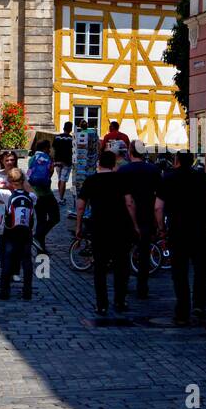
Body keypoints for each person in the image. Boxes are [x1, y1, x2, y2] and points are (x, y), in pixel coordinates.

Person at [155, 150, 206, 326]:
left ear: (176, 161)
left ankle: (182, 309)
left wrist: (162, 229)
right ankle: (200, 305)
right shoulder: (204, 178)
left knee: (179, 272)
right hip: (200, 230)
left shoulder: (168, 179)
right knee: (201, 270)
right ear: (192, 161)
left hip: (177, 231)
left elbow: (158, 208)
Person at [76, 150, 139, 317]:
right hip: (121, 227)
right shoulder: (121, 179)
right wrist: (135, 225)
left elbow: (81, 205)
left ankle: (101, 304)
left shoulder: (91, 181)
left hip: (99, 227)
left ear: (99, 163)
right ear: (114, 164)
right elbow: (129, 203)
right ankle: (120, 300)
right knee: (121, 266)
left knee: (100, 267)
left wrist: (78, 226)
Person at [117, 141, 163, 300]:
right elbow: (159, 197)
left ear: (130, 152)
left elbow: (120, 197)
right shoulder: (154, 170)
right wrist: (159, 221)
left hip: (125, 217)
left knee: (123, 253)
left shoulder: (123, 170)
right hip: (147, 215)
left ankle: (122, 286)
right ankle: (142, 287)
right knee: (144, 254)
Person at [0, 168, 36, 301]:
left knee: (8, 260)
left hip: (11, 232)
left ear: (11, 181)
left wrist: (4, 185)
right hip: (26, 232)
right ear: (23, 180)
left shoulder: (7, 194)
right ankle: (27, 291)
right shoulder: (31, 196)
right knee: (27, 261)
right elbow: (33, 192)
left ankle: (5, 291)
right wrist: (24, 184)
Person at [26, 139, 59, 252]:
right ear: (45, 148)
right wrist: (51, 169)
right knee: (55, 217)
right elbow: (48, 176)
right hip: (46, 193)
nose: (50, 150)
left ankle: (41, 248)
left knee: (41, 220)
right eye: (49, 148)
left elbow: (29, 175)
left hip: (35, 194)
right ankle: (37, 236)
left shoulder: (32, 159)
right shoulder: (47, 158)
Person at [52, 121, 74, 204]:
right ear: (70, 129)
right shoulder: (71, 139)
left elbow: (53, 148)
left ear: (63, 128)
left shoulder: (57, 137)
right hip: (66, 162)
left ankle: (60, 196)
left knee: (60, 179)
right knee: (63, 180)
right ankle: (60, 198)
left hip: (57, 161)